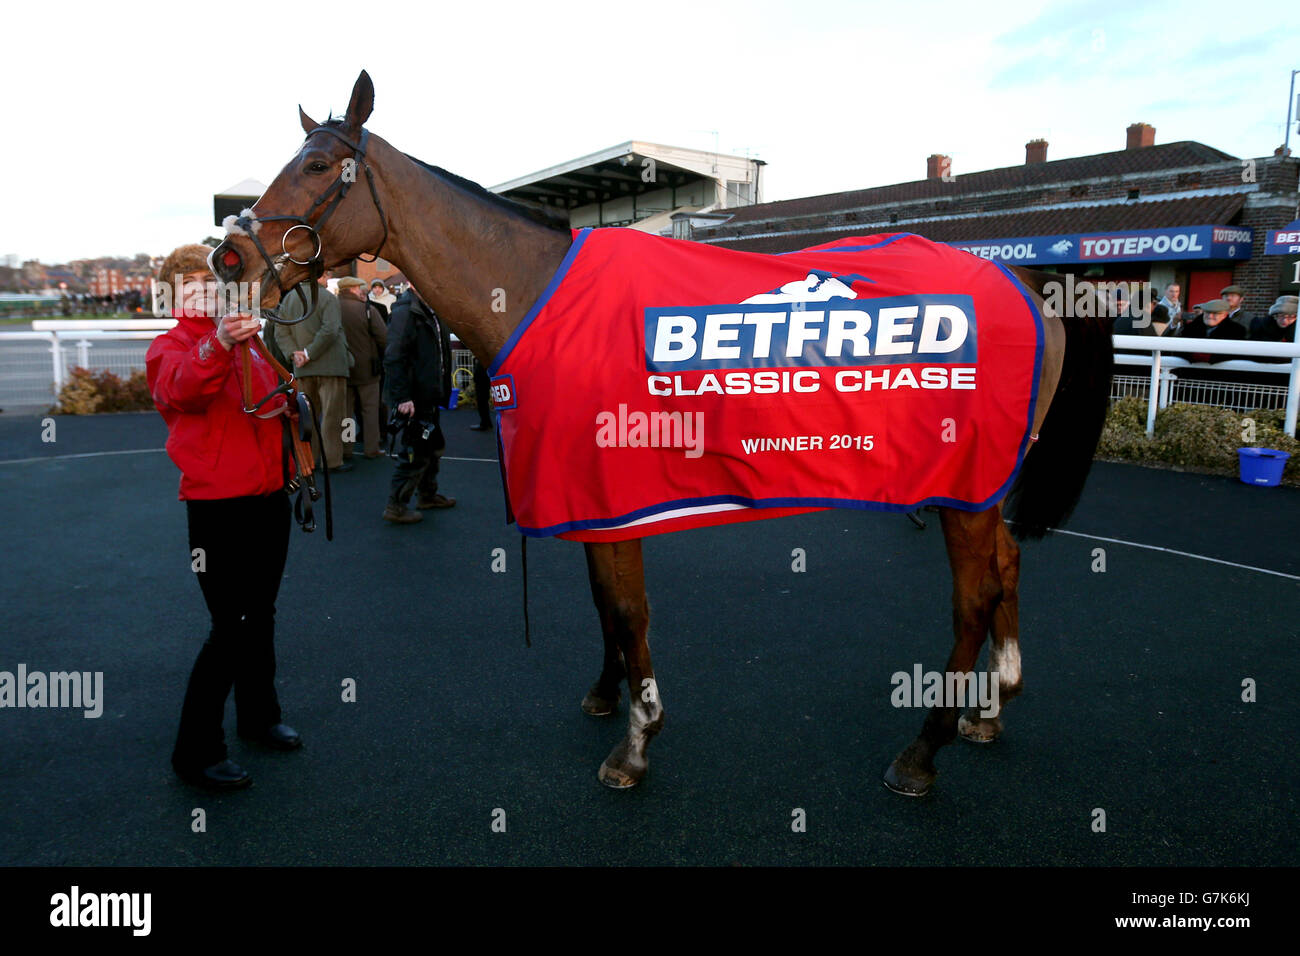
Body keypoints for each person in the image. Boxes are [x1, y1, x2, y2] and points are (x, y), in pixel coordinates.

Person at [145, 243, 302, 791]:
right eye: (193, 284)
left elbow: (259, 404)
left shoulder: (247, 341)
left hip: (266, 496)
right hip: (218, 506)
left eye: (210, 282)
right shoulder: (171, 346)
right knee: (229, 627)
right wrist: (218, 343)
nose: (206, 291)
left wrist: (286, 401)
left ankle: (259, 719)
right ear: (173, 293)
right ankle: (195, 751)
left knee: (260, 615)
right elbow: (181, 392)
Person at [383, 287, 457, 523]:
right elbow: (394, 356)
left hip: (428, 396)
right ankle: (396, 506)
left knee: (433, 447)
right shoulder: (407, 312)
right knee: (415, 452)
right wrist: (403, 397)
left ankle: (427, 494)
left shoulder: (430, 310)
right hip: (414, 399)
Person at [275, 280, 355, 473]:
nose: (327, 277)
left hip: (302, 368)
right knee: (332, 415)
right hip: (331, 366)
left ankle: (311, 459)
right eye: (326, 273)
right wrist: (309, 353)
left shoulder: (289, 300)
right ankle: (333, 460)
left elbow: (281, 332)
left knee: (308, 417)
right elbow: (330, 329)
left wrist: (295, 354)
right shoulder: (328, 298)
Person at [336, 276, 388, 460]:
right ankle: (371, 447)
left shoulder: (332, 308)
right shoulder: (367, 310)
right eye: (359, 288)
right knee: (370, 410)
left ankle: (346, 448)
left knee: (346, 413)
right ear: (351, 289)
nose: (362, 291)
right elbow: (384, 338)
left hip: (341, 368)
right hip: (367, 369)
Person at [1173, 297, 1245, 363]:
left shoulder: (1236, 330)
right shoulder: (1191, 327)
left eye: (1215, 313)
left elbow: (1236, 354)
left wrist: (1210, 357)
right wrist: (1192, 355)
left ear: (1225, 314)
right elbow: (1178, 348)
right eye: (1207, 312)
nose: (1210, 316)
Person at [1249, 294, 1297, 362]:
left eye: (1290, 317)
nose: (1284, 320)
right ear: (1274, 315)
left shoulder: (1297, 332)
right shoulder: (1261, 327)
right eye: (1281, 316)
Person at [470, 356, 493, 430]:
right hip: (485, 372)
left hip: (482, 376)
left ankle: (485, 423)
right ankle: (486, 422)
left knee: (482, 399)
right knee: (483, 399)